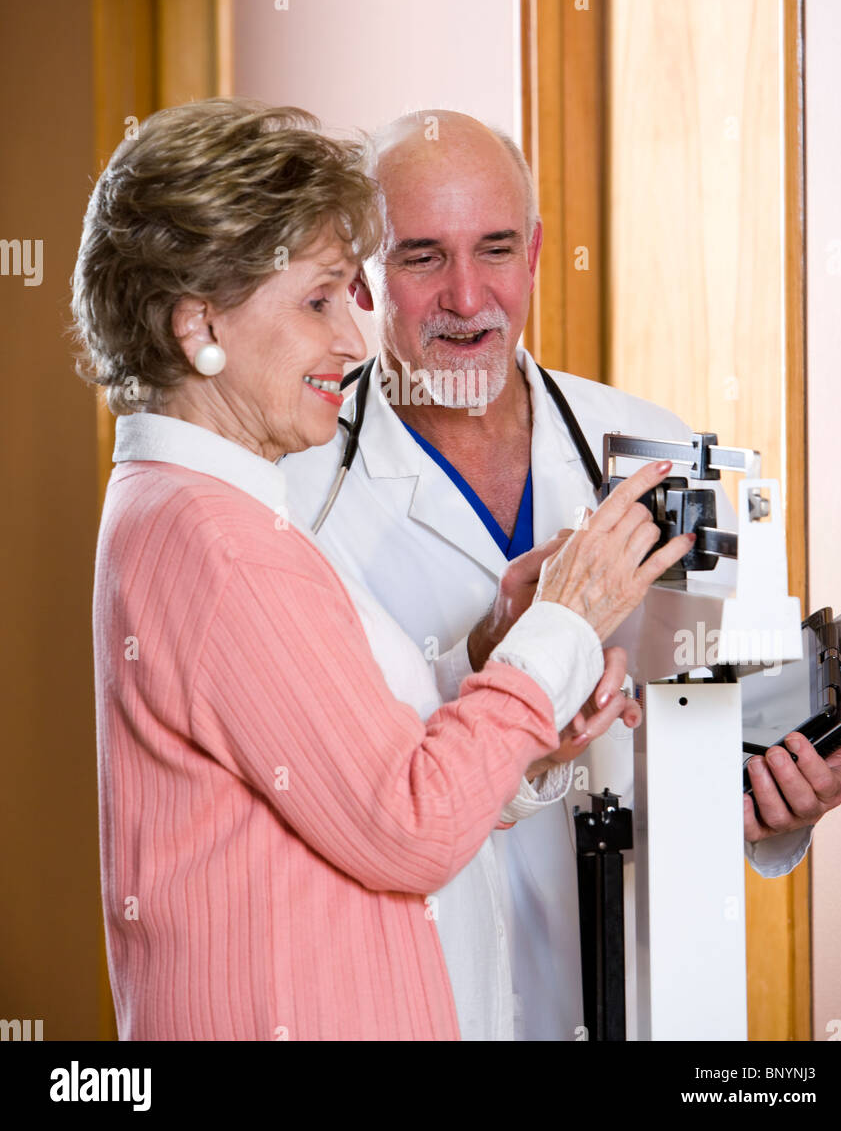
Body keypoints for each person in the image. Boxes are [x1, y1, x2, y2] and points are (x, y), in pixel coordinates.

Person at [70, 97, 692, 1041]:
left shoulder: (195, 509)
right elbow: (408, 823)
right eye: (324, 299)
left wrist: (497, 683)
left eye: (496, 248)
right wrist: (561, 623)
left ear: (532, 252)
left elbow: (353, 768)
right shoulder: (227, 540)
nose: (352, 339)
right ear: (199, 326)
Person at [280, 108, 841, 1041]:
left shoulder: (661, 450)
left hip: (644, 995)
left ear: (538, 252)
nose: (469, 297)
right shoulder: (296, 490)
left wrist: (776, 807)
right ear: (359, 274)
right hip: (418, 998)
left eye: (498, 250)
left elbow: (731, 734)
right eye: (422, 256)